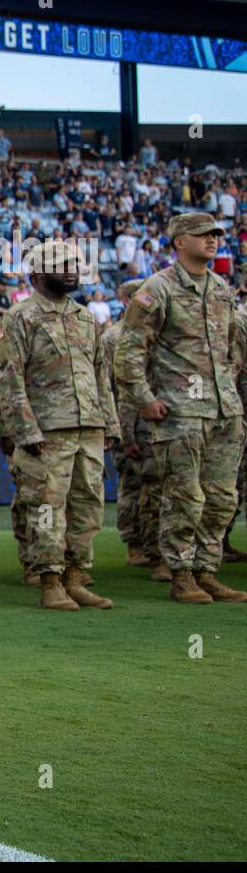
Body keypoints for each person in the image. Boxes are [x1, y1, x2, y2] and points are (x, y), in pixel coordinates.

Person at [114, 213, 247, 603]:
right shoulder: (157, 289)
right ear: (179, 242)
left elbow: (233, 351)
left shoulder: (221, 289)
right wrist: (144, 399)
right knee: (185, 497)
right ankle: (181, 574)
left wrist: (234, 399)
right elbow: (129, 350)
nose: (211, 240)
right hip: (179, 412)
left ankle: (207, 570)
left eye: (215, 235)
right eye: (202, 235)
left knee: (223, 497)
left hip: (224, 412)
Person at [0, 243, 120, 611]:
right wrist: (23, 432)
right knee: (47, 507)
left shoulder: (85, 318)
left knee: (88, 506)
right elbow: (8, 378)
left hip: (88, 428)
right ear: (37, 274)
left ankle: (75, 578)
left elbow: (99, 374)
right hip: (46, 432)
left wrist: (109, 424)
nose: (71, 270)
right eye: (61, 264)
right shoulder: (19, 318)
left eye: (75, 264)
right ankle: (49, 581)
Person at [101, 279, 163, 572]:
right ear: (127, 301)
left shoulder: (152, 334)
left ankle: (154, 545)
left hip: (149, 420)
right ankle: (134, 543)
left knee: (154, 487)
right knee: (132, 487)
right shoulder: (114, 337)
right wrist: (122, 431)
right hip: (127, 419)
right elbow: (113, 387)